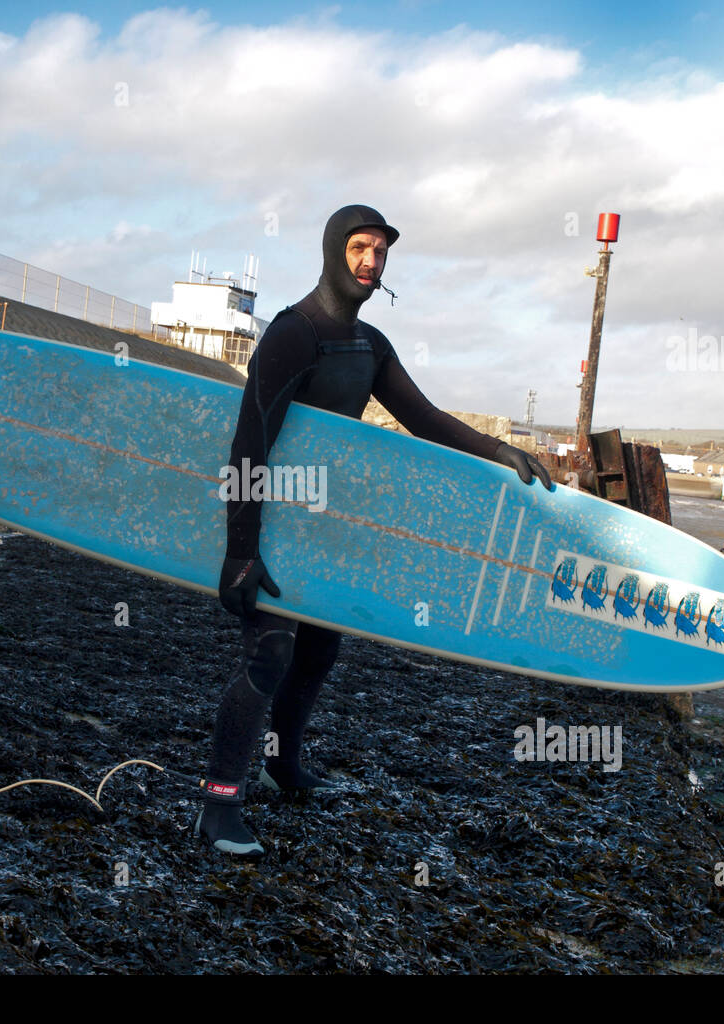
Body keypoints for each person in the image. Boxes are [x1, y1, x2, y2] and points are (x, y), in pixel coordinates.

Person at [196, 204, 553, 857]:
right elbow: (249, 443)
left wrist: (497, 452)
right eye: (360, 247)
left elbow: (426, 419)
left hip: (324, 522)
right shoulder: (292, 334)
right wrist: (240, 550)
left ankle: (282, 765)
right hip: (272, 520)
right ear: (335, 251)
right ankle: (219, 804)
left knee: (319, 652)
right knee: (269, 654)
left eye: (381, 251)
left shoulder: (369, 347)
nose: (371, 261)